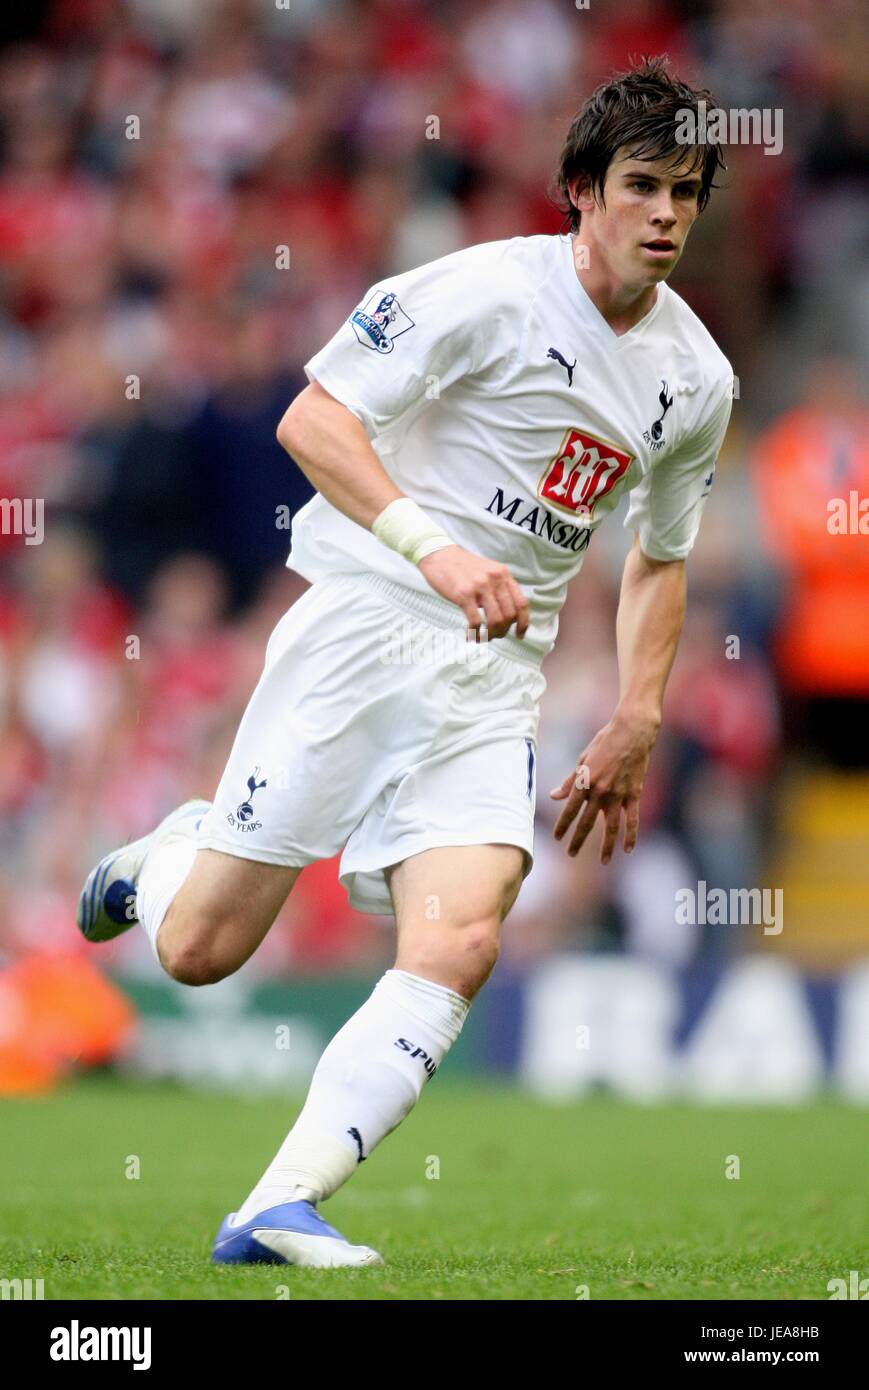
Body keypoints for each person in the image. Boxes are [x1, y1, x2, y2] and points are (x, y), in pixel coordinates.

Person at [77, 56, 733, 1268]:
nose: (665, 215)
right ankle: (171, 852)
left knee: (464, 937)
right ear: (579, 191)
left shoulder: (696, 379)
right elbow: (312, 418)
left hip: (497, 677)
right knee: (201, 952)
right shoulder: (478, 291)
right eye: (641, 186)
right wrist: (435, 553)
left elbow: (658, 556)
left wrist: (638, 711)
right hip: (367, 627)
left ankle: (277, 1202)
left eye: (686, 194)